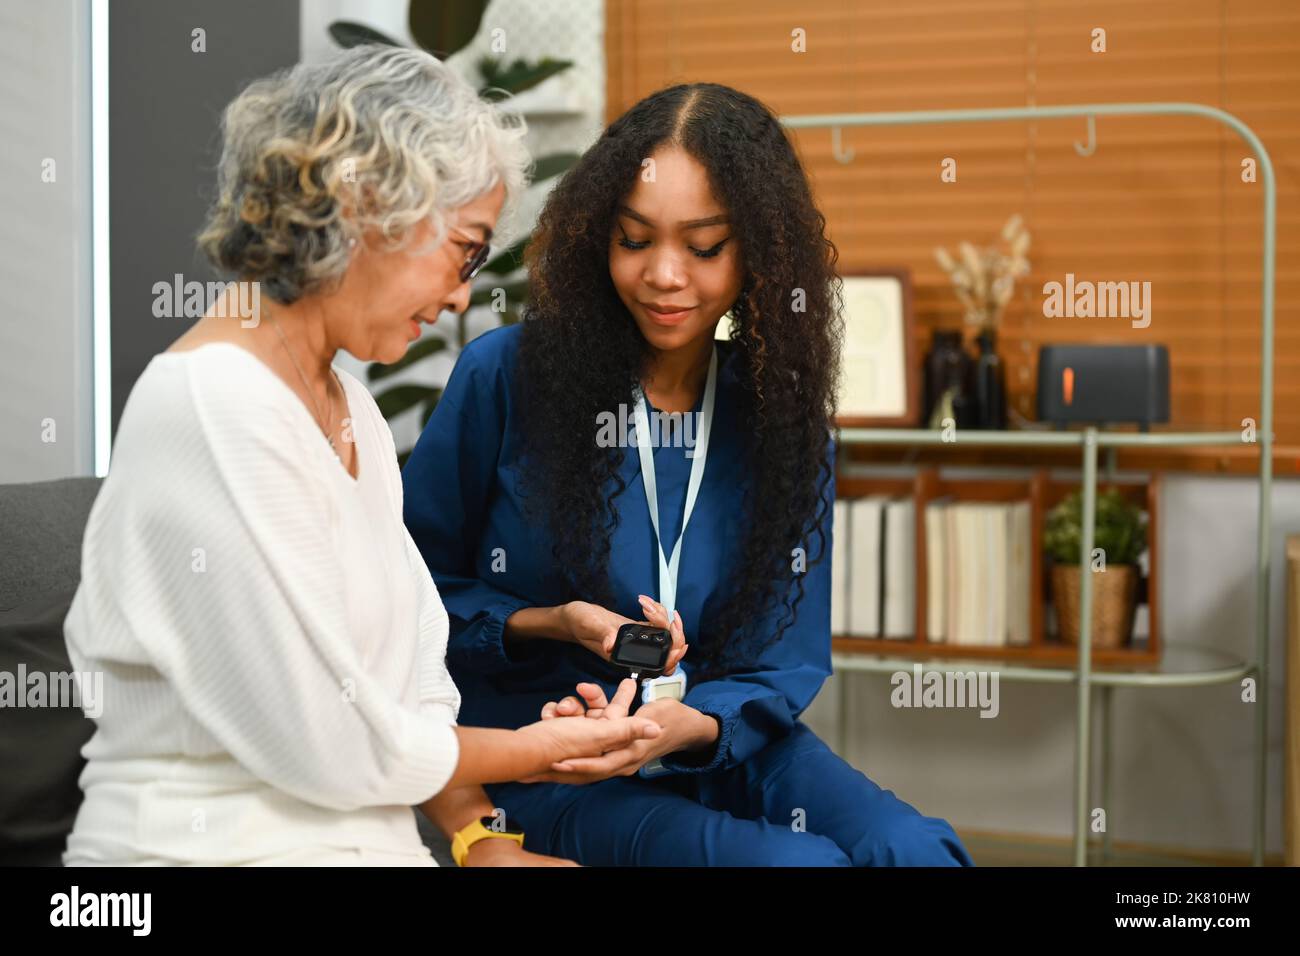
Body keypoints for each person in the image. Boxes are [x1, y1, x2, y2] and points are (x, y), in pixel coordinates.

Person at [62, 45, 660, 867]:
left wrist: (483, 838)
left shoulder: (358, 418)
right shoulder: (213, 404)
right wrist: (534, 749)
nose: (462, 294)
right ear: (365, 203)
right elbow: (339, 743)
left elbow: (411, 691)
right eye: (466, 249)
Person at [403, 82, 974, 865]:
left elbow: (781, 655)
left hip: (718, 740)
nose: (665, 275)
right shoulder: (504, 378)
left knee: (914, 852)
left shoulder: (779, 414)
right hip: (552, 758)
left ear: (759, 253)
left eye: (704, 247)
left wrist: (696, 726)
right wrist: (554, 621)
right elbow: (411, 596)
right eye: (634, 240)